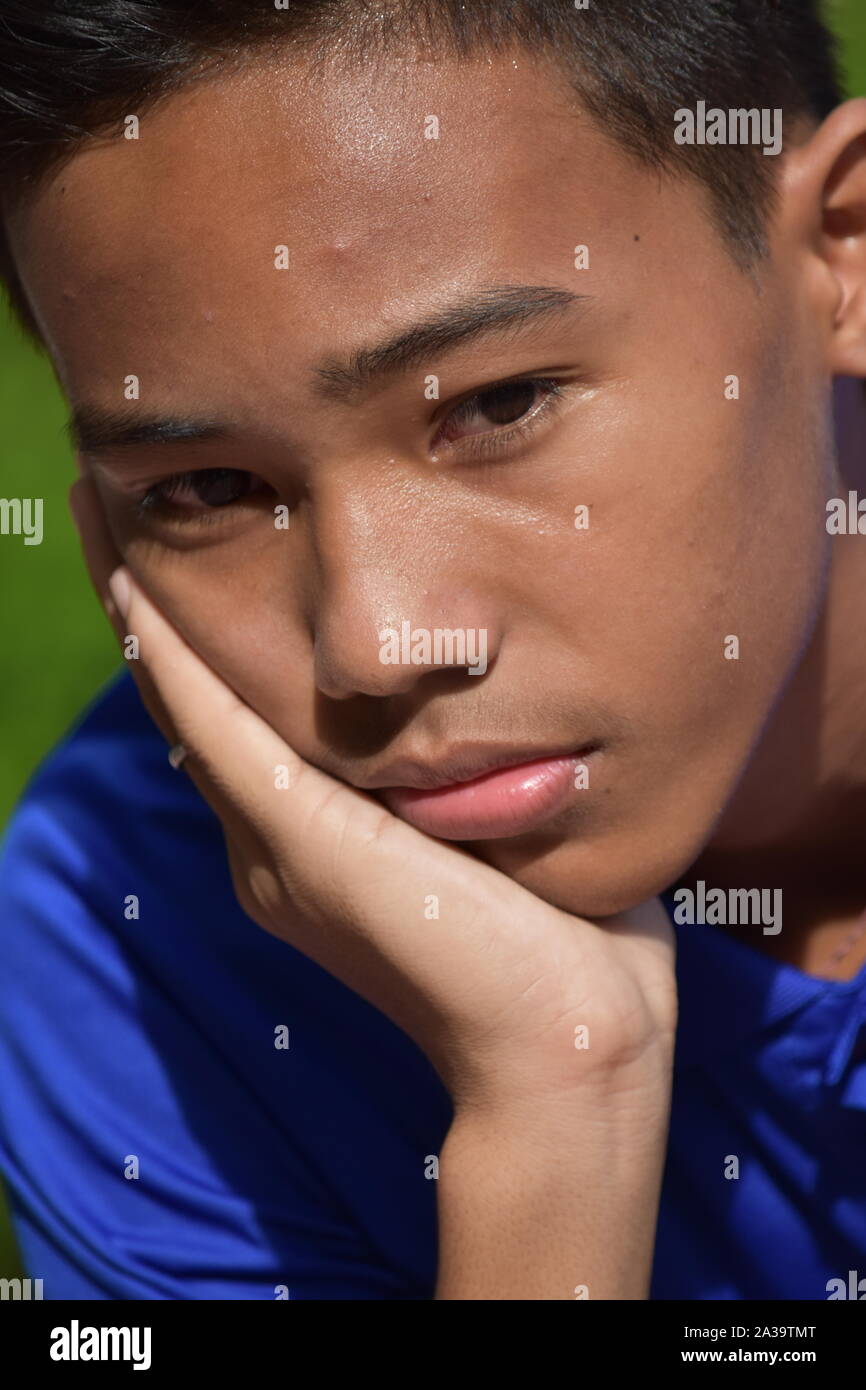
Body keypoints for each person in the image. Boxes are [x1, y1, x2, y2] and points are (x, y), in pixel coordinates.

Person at [1, 0, 865, 1300]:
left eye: (497, 403)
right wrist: (556, 1110)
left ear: (840, 253)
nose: (373, 643)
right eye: (204, 489)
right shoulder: (131, 950)